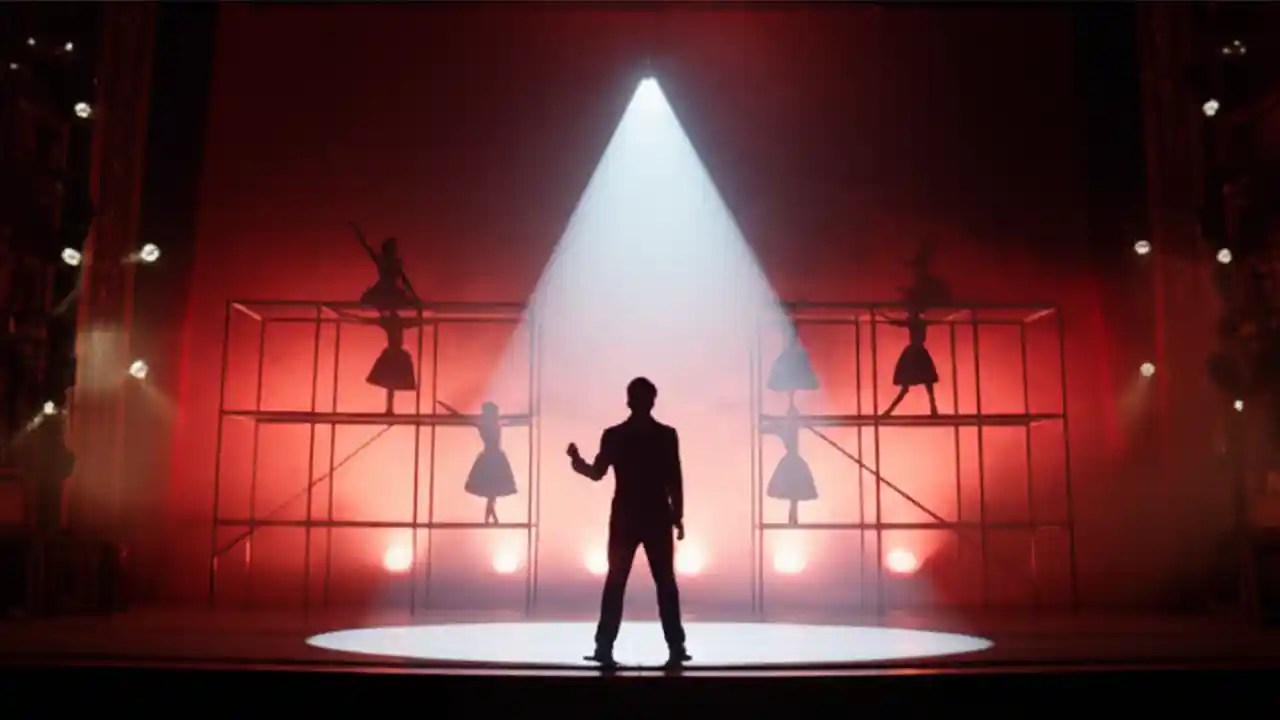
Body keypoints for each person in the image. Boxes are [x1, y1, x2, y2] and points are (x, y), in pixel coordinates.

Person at [567, 377, 689, 667]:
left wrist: (576, 461)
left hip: (626, 516)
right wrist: (677, 515)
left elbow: (596, 473)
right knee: (664, 583)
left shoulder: (615, 435)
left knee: (618, 582)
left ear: (629, 401)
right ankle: (675, 647)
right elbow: (674, 478)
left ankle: (604, 648)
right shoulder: (665, 435)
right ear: (652, 401)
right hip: (655, 516)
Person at [441, 401, 518, 523]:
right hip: (494, 457)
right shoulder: (493, 425)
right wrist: (454, 412)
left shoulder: (488, 425)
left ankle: (491, 516)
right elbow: (467, 420)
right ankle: (491, 516)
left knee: (491, 492)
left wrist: (454, 412)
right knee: (492, 492)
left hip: (491, 457)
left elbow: (467, 420)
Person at [881, 306, 939, 416]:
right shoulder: (920, 322)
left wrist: (882, 315)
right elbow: (897, 323)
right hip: (916, 352)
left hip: (914, 352)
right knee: (926, 382)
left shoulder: (916, 322)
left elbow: (897, 323)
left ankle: (890, 410)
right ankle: (933, 408)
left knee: (922, 383)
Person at [766, 404, 817, 524]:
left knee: (793, 490)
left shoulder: (790, 427)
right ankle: (793, 516)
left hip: (791, 460)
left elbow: (777, 429)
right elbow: (777, 430)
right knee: (794, 491)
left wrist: (768, 423)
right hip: (793, 460)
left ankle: (792, 517)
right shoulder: (792, 427)